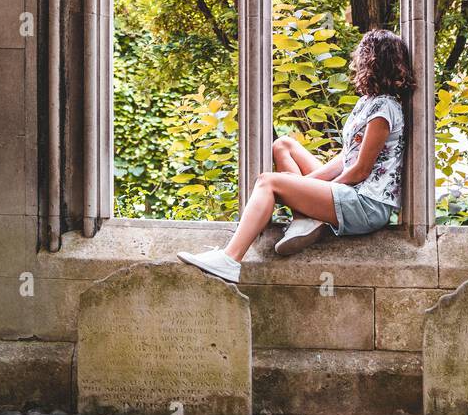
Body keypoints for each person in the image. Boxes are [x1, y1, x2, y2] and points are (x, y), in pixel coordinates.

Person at [177, 27, 415, 283]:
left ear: (373, 60)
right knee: (284, 145)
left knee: (268, 181)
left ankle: (231, 259)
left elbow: (361, 170)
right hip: (353, 194)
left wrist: (300, 191)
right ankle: (304, 219)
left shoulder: (385, 108)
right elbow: (346, 158)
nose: (355, 61)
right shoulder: (367, 102)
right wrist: (302, 190)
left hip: (367, 204)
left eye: (361, 55)